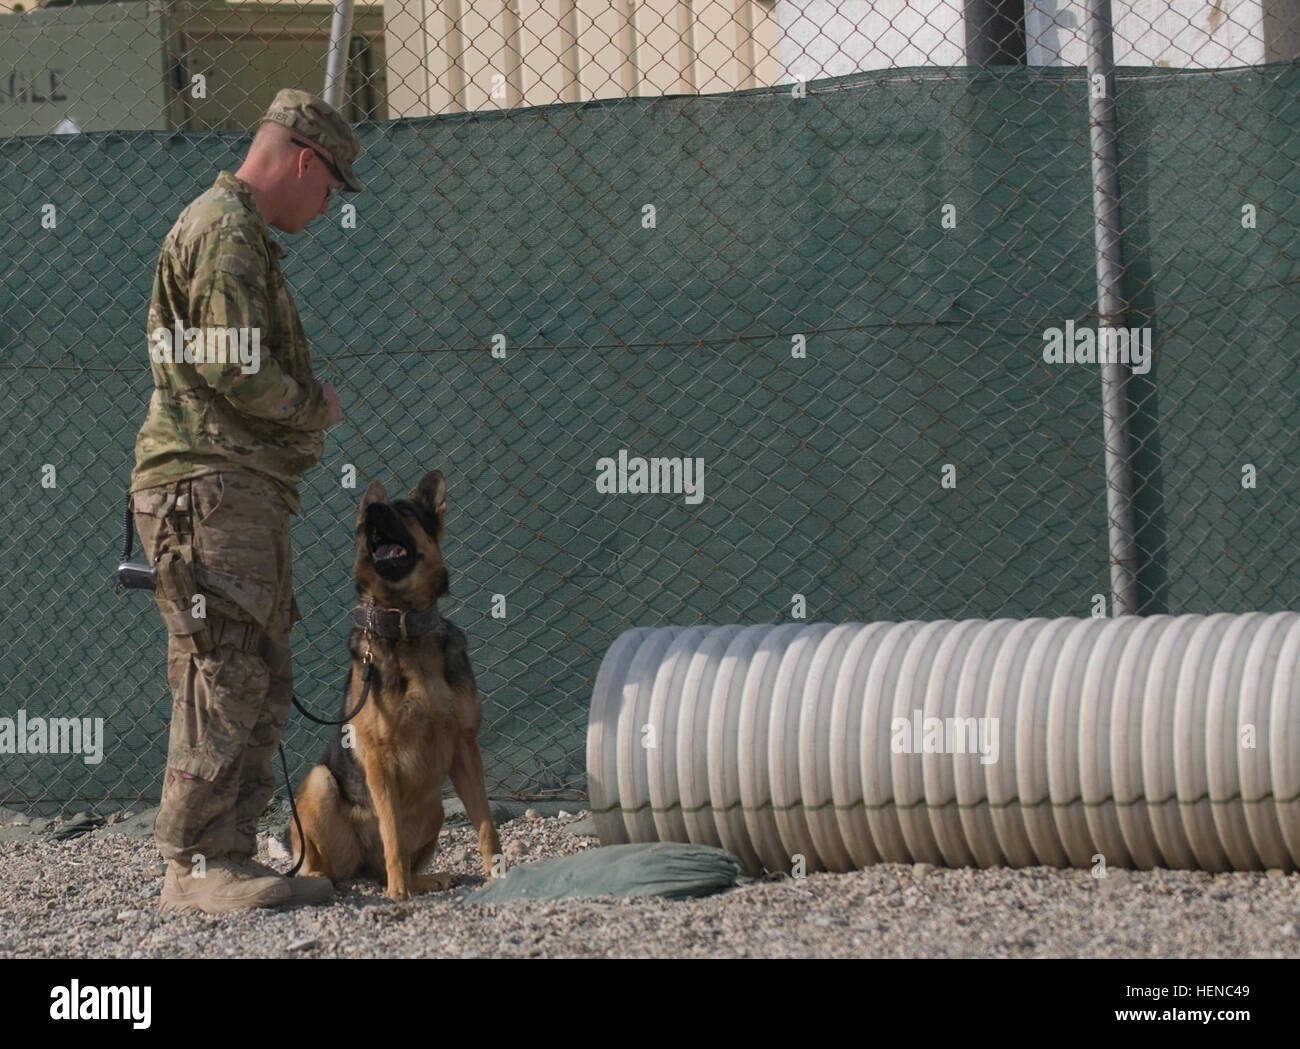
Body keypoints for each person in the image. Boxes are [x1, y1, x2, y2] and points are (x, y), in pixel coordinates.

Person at [128, 88, 361, 914]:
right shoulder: (224, 231)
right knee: (221, 670)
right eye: (331, 187)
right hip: (209, 486)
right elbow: (234, 368)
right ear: (305, 160)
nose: (328, 206)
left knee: (257, 672)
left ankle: (226, 852)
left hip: (235, 487)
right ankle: (192, 863)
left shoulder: (239, 234)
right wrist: (314, 407)